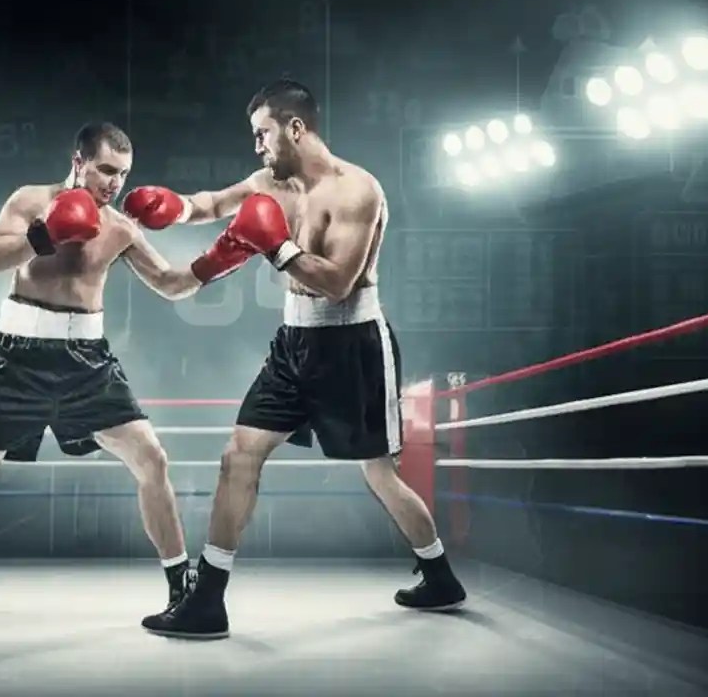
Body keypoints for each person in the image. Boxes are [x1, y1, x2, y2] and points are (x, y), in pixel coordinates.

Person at [121, 79, 468, 639]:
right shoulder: (267, 183)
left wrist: (276, 245)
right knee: (238, 457)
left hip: (353, 345)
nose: (257, 146)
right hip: (292, 345)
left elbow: (337, 282)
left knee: (380, 475)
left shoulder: (357, 191)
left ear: (295, 128)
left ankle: (440, 575)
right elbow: (213, 204)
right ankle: (207, 601)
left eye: (263, 133)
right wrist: (172, 207)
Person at [0, 121, 258, 626]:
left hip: (87, 363)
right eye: (105, 170)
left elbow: (171, 284)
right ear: (79, 161)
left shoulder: (121, 227)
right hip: (19, 358)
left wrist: (224, 256)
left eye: (122, 174)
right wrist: (44, 234)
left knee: (152, 459)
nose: (114, 183)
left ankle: (180, 585)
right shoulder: (31, 200)